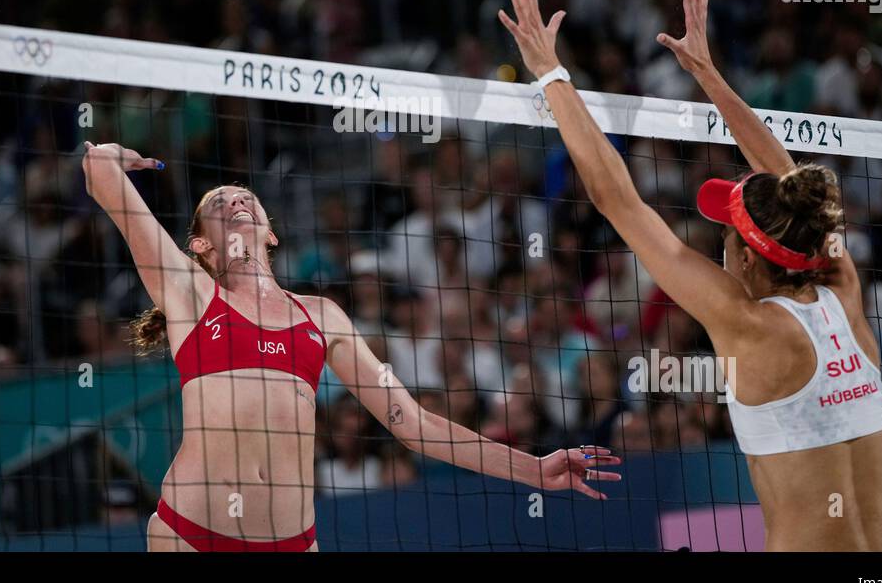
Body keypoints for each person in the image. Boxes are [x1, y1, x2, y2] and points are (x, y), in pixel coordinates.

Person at [499, 0, 882, 551]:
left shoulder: (747, 324)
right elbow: (794, 182)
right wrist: (710, 76)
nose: (719, 239)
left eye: (726, 231)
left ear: (745, 256)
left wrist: (550, 72)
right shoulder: (844, 290)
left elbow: (616, 200)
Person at [81, 142, 620, 551]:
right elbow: (100, 177)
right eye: (219, 205)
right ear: (200, 244)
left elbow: (412, 422)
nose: (237, 201)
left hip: (292, 543)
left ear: (270, 233)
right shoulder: (190, 293)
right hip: (191, 535)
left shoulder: (322, 316)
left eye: (247, 199)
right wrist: (113, 156)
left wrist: (534, 469)